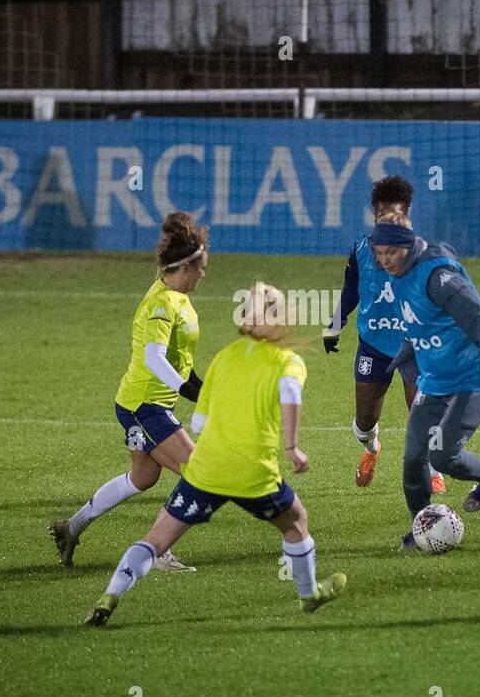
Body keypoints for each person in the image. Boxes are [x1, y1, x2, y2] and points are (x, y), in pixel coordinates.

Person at [85, 282, 346, 626]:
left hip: (206, 469)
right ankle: (309, 594)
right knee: (296, 521)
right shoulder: (288, 361)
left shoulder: (224, 358)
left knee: (156, 539)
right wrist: (292, 447)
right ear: (282, 317)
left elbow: (198, 421)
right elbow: (289, 393)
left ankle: (109, 597)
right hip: (254, 474)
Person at [48, 212, 208, 573]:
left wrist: (197, 385)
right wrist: (185, 387)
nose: (204, 274)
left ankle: (70, 528)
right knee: (200, 472)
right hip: (144, 406)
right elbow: (154, 359)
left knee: (143, 477)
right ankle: (159, 550)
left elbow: (175, 356)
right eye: (200, 268)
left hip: (146, 402)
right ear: (185, 269)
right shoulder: (162, 304)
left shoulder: (177, 296)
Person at [369, 212, 480, 547]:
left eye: (391, 252)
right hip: (435, 378)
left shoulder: (439, 277)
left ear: (407, 246)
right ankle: (424, 526)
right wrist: (406, 349)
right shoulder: (394, 274)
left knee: (442, 455)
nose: (384, 259)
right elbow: (417, 318)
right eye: (380, 252)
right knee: (413, 459)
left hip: (473, 376)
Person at [323, 176, 446, 494]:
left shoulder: (422, 254)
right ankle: (372, 449)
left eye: (393, 214)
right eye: (380, 214)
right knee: (364, 424)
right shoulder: (361, 250)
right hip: (373, 348)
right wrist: (334, 324)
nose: (385, 220)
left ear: (405, 213)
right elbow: (352, 291)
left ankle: (432, 468)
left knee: (421, 414)